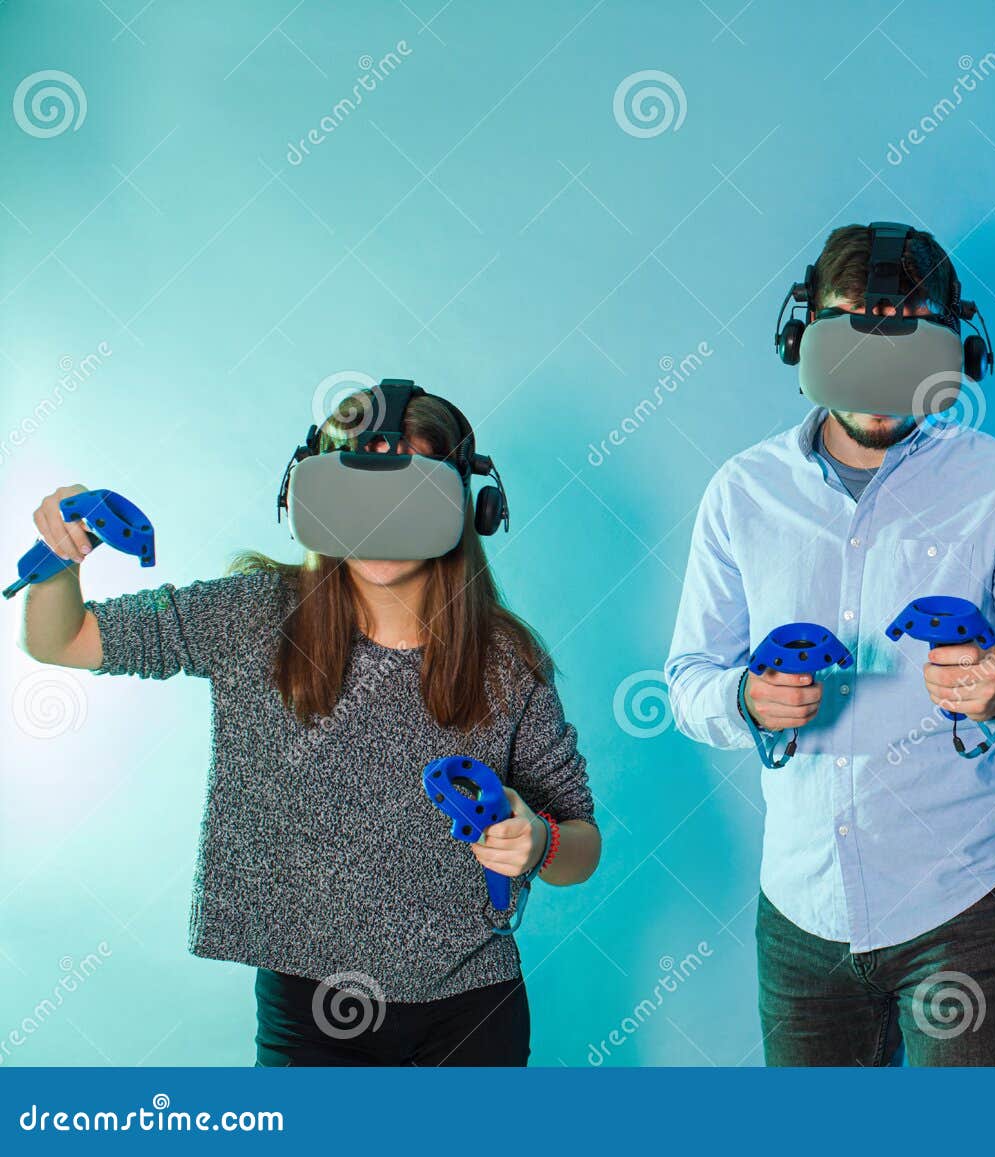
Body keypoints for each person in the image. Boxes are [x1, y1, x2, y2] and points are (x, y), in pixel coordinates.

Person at [18, 384, 600, 1066]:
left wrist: (540, 842)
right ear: (308, 498)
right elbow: (66, 640)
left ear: (468, 510)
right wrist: (59, 554)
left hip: (473, 1009)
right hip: (310, 1011)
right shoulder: (255, 617)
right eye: (358, 493)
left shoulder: (506, 661)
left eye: (411, 497)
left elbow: (581, 847)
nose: (382, 520)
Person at [666, 222, 995, 1066]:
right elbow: (689, 676)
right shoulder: (742, 494)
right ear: (805, 339)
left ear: (954, 348)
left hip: (969, 906)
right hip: (800, 917)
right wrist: (743, 699)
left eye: (905, 336)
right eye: (852, 333)